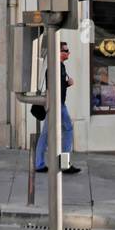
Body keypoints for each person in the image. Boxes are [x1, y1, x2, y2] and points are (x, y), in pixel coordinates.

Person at [35, 40, 81, 174]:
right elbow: (55, 86)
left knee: (48, 133)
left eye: (68, 50)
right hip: (57, 103)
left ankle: (40, 163)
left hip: (58, 103)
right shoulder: (55, 67)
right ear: (58, 52)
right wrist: (68, 83)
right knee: (66, 129)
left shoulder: (58, 66)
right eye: (66, 50)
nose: (68, 53)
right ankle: (64, 163)